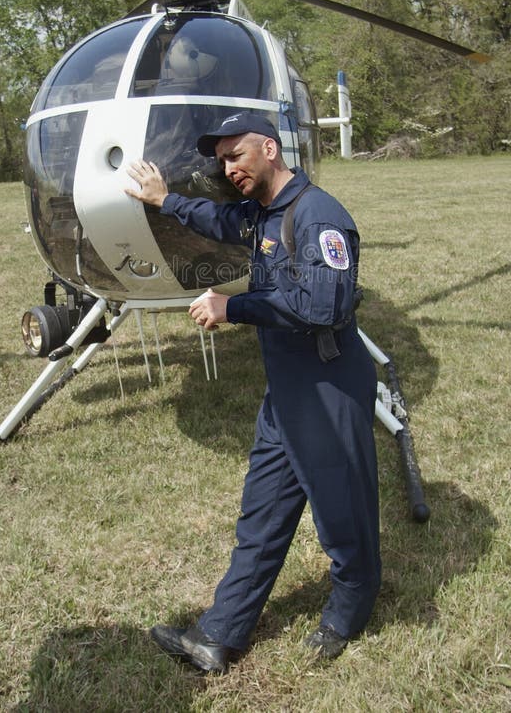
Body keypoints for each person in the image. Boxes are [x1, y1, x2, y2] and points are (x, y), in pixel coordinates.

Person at [125, 111, 380, 673]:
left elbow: (326, 306)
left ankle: (350, 608)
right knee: (261, 513)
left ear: (269, 148)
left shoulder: (318, 216)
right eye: (221, 161)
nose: (228, 168)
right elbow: (217, 220)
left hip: (328, 385)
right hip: (287, 391)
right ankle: (220, 634)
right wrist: (163, 199)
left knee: (342, 513)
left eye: (236, 155)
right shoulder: (262, 214)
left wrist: (231, 306)